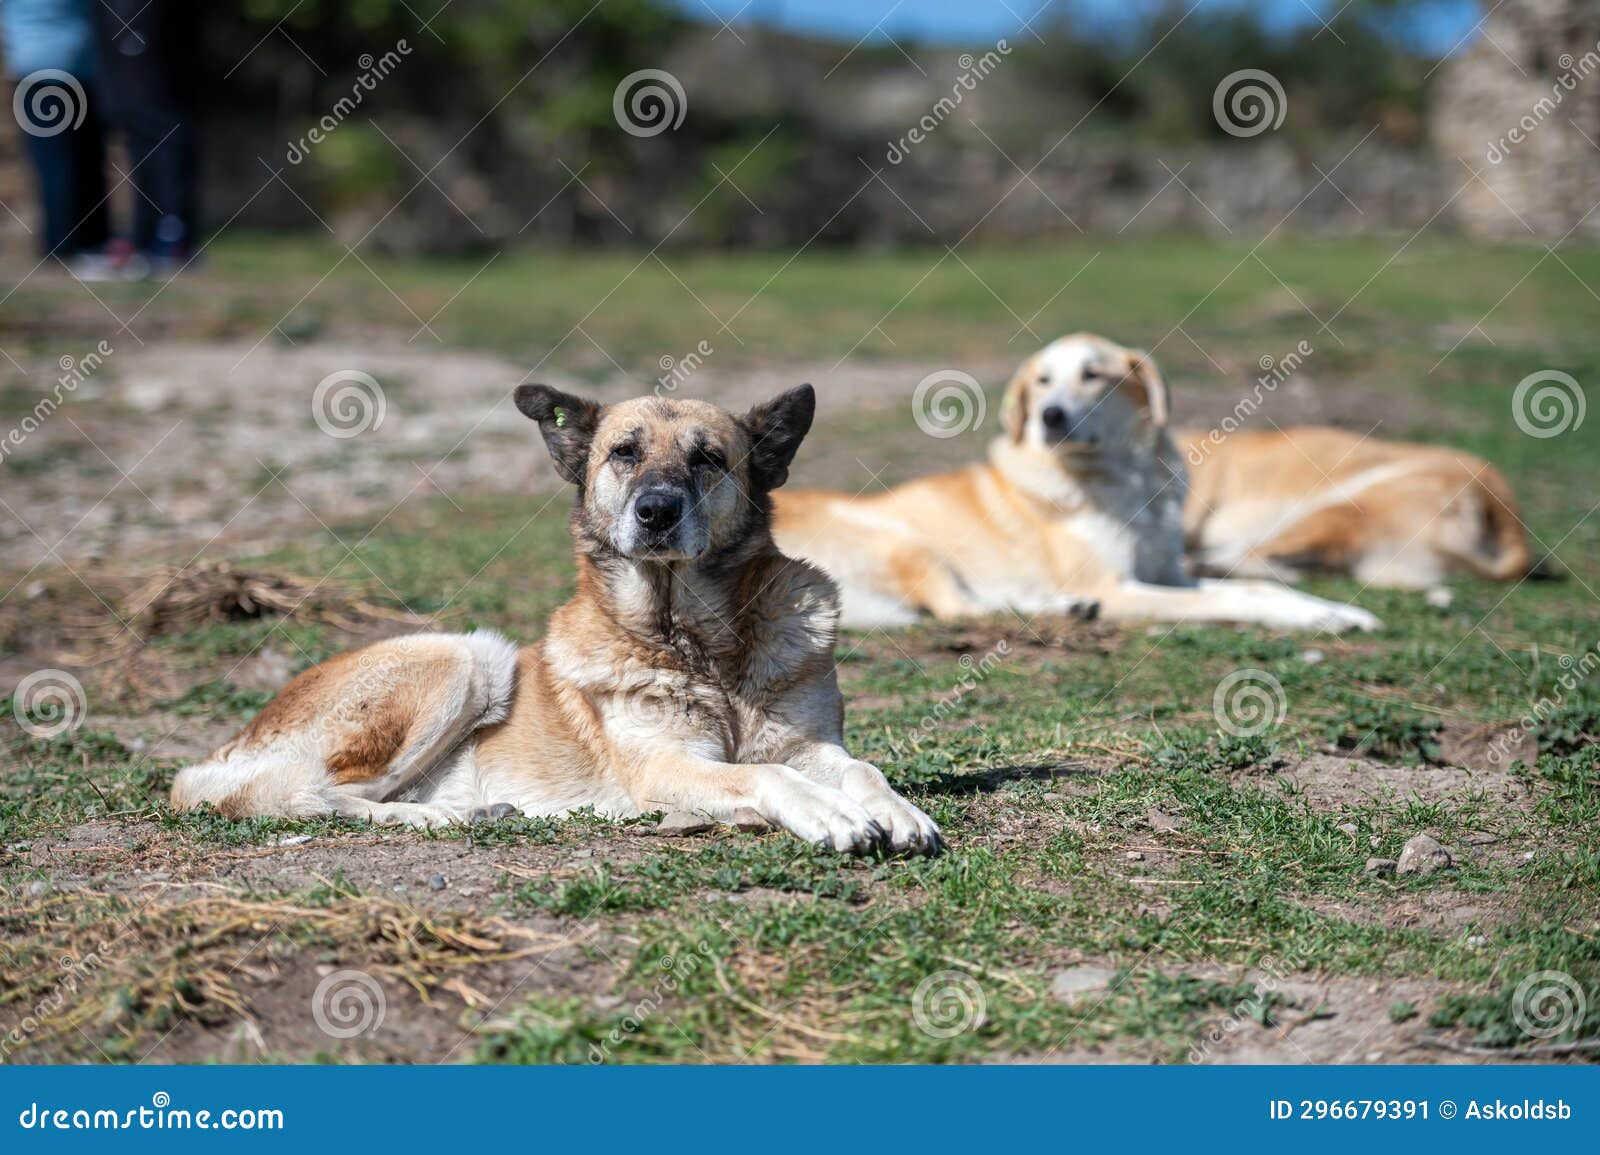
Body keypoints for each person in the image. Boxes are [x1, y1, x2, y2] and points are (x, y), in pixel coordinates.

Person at [0, 0, 111, 274]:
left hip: (33, 68)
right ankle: (82, 244)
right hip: (76, 67)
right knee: (81, 160)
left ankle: (64, 245)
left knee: (55, 163)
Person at [93, 0, 201, 276]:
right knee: (139, 137)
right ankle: (143, 239)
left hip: (146, 40)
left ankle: (171, 238)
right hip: (124, 46)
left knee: (162, 135)